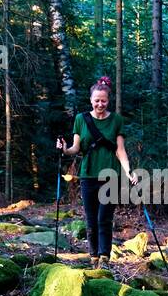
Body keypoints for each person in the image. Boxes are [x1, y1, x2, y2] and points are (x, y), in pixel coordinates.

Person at [56, 77, 134, 268]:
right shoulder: (81, 119)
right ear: (91, 100)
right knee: (91, 220)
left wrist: (130, 172)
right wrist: (64, 149)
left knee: (104, 219)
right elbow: (76, 148)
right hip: (88, 175)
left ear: (108, 101)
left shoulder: (116, 120)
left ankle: (105, 257)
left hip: (111, 176)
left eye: (104, 100)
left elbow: (120, 150)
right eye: (97, 100)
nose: (100, 104)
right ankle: (93, 257)